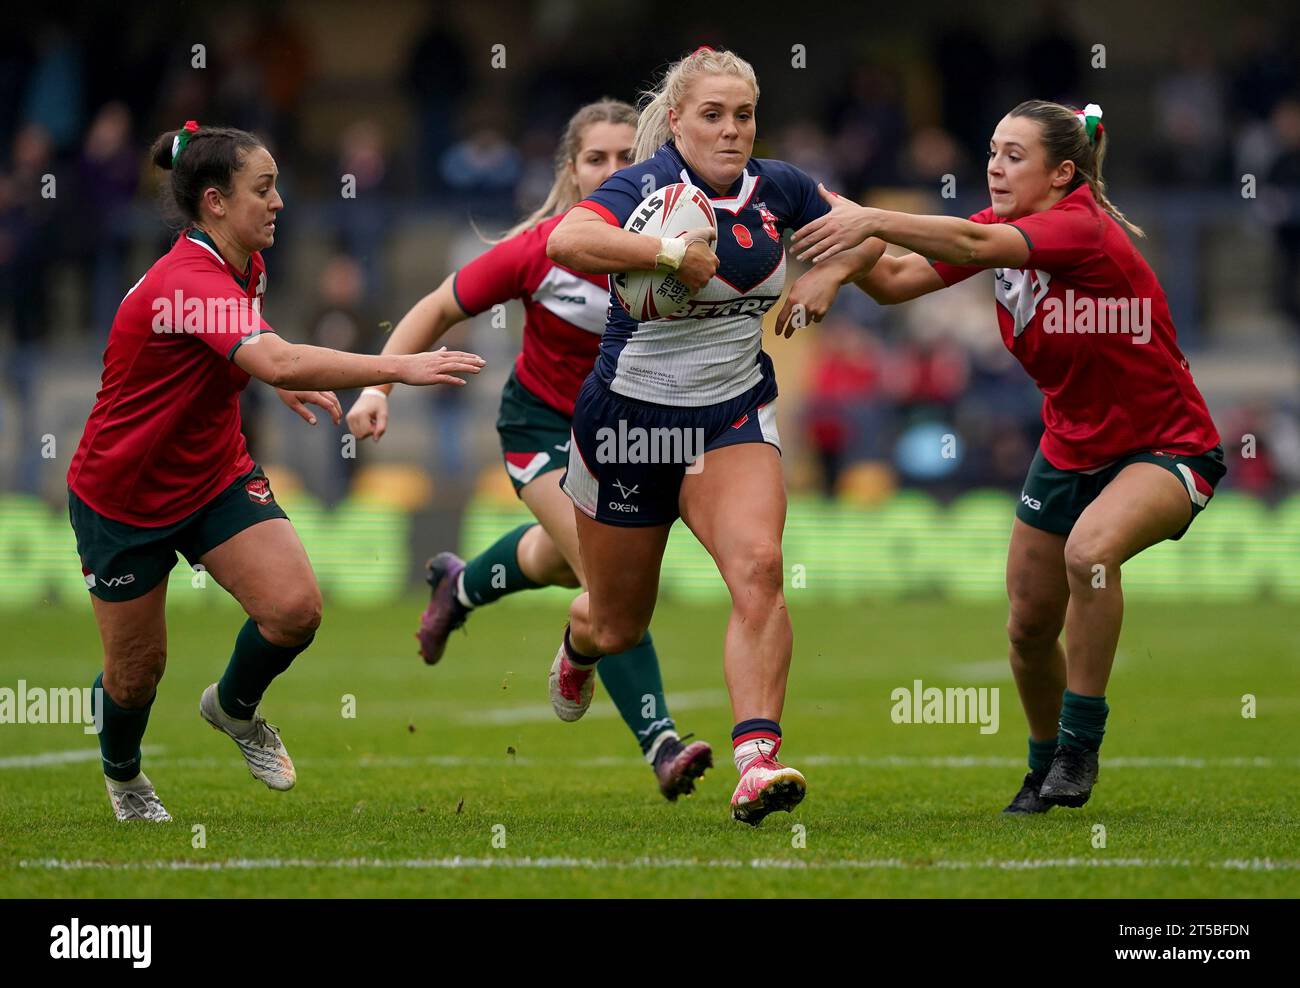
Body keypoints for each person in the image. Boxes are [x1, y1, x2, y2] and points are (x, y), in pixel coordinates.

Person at [791, 100, 1226, 811]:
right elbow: (898, 282)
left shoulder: (1079, 227)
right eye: (992, 150)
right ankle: (1043, 765)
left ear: (1061, 173)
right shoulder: (999, 229)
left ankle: (1080, 747)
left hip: (1166, 445)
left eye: (1014, 155)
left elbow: (966, 246)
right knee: (1027, 628)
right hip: (1069, 447)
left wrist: (865, 218)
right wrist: (839, 260)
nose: (994, 165)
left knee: (1090, 550)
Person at [67, 121, 485, 821]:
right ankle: (126, 778)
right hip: (123, 495)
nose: (280, 202)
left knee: (294, 611)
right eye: (263, 189)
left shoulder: (243, 262)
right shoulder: (186, 276)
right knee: (136, 677)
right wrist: (396, 367)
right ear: (215, 202)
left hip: (212, 475)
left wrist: (269, 378)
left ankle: (232, 708)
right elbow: (276, 353)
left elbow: (240, 349)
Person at [544, 48, 883, 825]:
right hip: (629, 425)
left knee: (760, 567)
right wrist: (667, 253)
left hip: (731, 415)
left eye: (743, 114)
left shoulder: (781, 186)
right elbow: (568, 241)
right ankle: (579, 641)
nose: (731, 130)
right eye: (713, 115)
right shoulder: (644, 185)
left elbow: (865, 228)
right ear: (678, 119)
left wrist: (830, 272)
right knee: (619, 620)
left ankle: (756, 762)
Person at [346, 100, 714, 801]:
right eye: (596, 159)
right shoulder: (543, 248)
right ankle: (662, 743)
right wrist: (378, 387)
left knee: (556, 556)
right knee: (611, 589)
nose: (613, 169)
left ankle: (466, 587)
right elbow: (436, 307)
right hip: (542, 429)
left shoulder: (680, 245)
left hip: (629, 439)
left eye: (626, 157)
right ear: (572, 173)